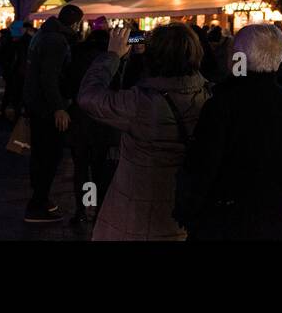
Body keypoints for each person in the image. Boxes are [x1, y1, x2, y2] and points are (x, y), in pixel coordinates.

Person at [178, 24, 282, 239]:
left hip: (223, 224)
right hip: (274, 223)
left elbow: (201, 168)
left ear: (238, 59)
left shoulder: (221, 105)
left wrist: (189, 211)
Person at [76, 23, 211, 239]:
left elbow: (89, 96)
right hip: (185, 210)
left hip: (134, 213)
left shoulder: (139, 103)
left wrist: (112, 55)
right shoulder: (209, 96)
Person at [22, 4, 83, 223]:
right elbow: (49, 77)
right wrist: (58, 106)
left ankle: (41, 198)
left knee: (41, 154)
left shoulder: (42, 35)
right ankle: (37, 204)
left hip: (36, 104)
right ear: (76, 23)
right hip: (47, 108)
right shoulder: (56, 41)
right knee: (50, 155)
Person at [64, 23, 120, 223]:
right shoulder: (112, 59)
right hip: (102, 120)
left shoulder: (76, 53)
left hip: (79, 119)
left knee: (81, 167)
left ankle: (81, 209)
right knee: (98, 168)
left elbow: (67, 84)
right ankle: (95, 209)